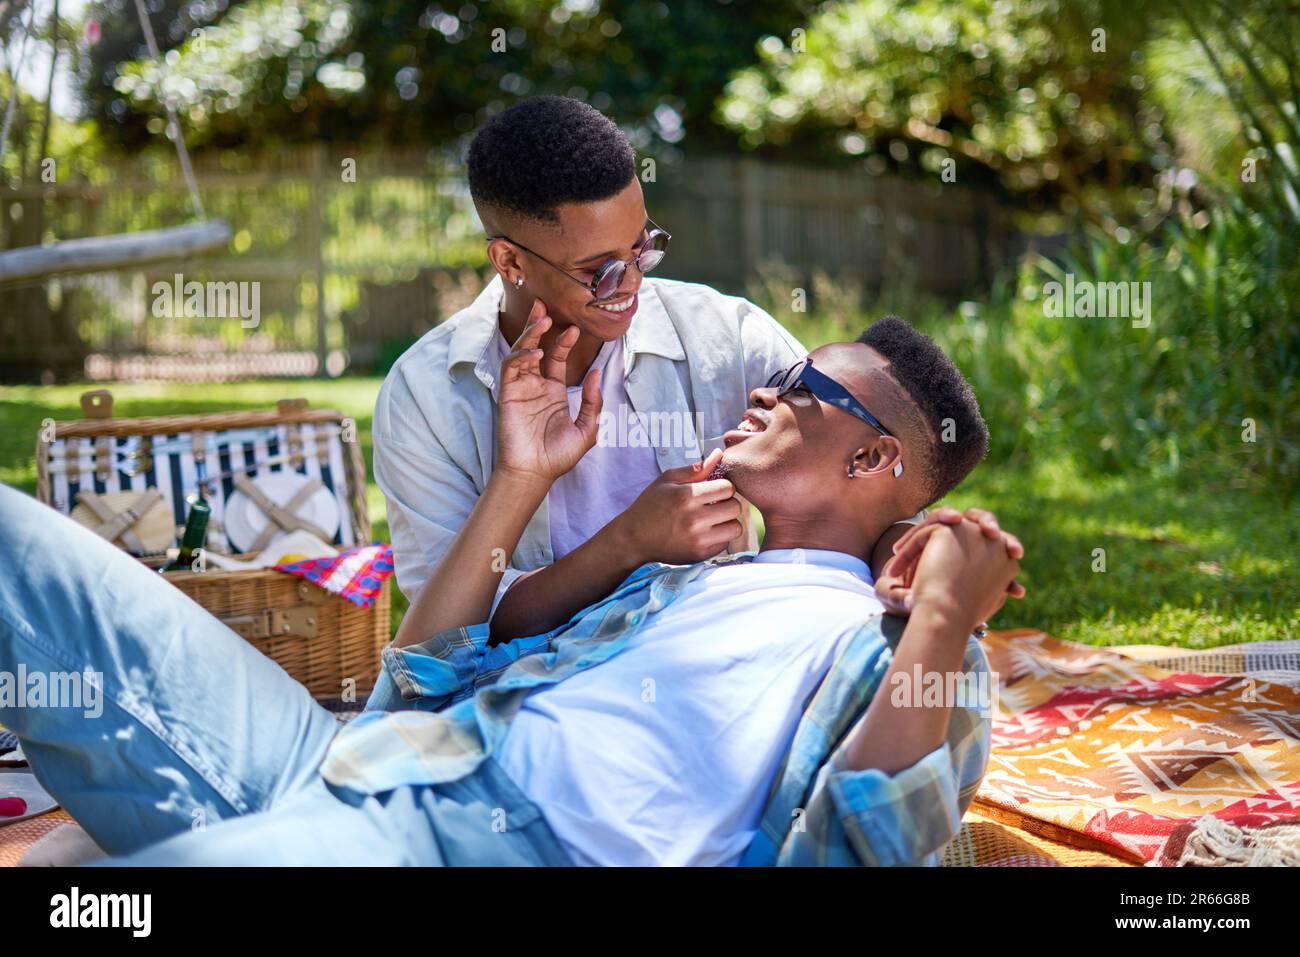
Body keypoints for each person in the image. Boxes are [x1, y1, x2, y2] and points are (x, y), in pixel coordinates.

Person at [0, 314, 1022, 866]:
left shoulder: (890, 640)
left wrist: (939, 616)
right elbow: (420, 676)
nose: (763, 394)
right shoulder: (679, 584)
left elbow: (865, 837)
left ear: (873, 459)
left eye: (802, 388)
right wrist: (521, 477)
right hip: (348, 758)